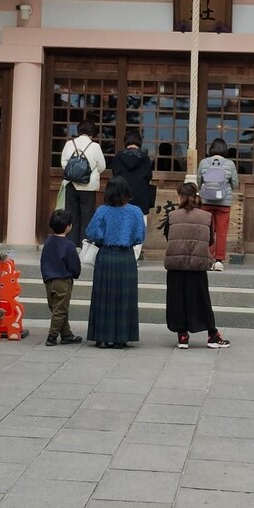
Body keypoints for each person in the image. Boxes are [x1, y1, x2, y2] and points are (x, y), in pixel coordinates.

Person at [165, 182, 231, 350]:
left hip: (176, 264)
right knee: (201, 299)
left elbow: (168, 236)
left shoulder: (172, 216)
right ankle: (212, 334)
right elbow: (210, 240)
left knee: (177, 299)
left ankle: (182, 335)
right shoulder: (205, 216)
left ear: (180, 197)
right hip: (197, 264)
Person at [84, 175, 146, 349]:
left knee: (103, 296)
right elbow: (139, 236)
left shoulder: (102, 211)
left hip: (106, 256)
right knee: (124, 298)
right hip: (126, 258)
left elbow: (92, 233)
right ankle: (121, 337)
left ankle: (102, 337)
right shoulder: (135, 212)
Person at [60, 119, 107, 248]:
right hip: (88, 185)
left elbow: (64, 162)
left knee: (71, 214)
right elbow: (102, 166)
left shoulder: (70, 144)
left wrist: (74, 173)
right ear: (93, 132)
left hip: (71, 183)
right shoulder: (95, 146)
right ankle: (85, 244)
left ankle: (71, 243)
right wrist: (89, 171)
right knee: (87, 215)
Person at [40, 210, 83, 347]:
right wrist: (75, 273)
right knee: (61, 309)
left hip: (49, 279)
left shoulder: (48, 242)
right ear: (69, 226)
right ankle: (52, 336)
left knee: (56, 307)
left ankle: (66, 334)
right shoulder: (69, 246)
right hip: (63, 280)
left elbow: (43, 261)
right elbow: (74, 265)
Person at [196, 137, 239, 270]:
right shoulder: (230, 164)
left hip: (206, 201)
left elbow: (199, 181)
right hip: (224, 203)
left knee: (207, 231)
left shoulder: (203, 162)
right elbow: (235, 184)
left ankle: (208, 258)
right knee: (221, 232)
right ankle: (219, 260)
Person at [111, 128, 156, 217]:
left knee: (121, 226)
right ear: (139, 141)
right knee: (139, 227)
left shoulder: (118, 157)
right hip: (141, 197)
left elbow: (114, 174)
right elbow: (149, 176)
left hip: (121, 196)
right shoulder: (145, 158)